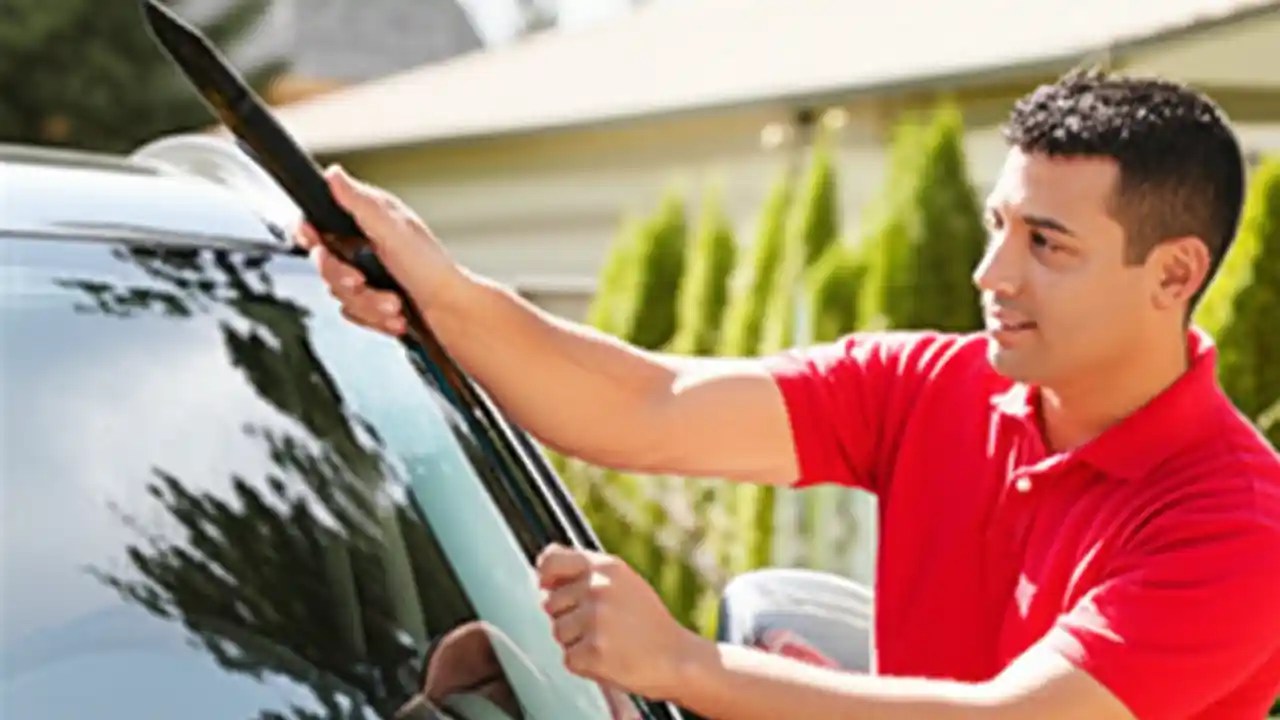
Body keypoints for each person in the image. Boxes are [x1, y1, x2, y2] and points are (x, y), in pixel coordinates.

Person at [295, 68, 1280, 719]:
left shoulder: (1233, 526)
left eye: (1045, 244)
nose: (991, 273)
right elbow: (650, 402)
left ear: (1170, 273)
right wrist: (445, 301)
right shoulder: (930, 388)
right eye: (997, 225)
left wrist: (681, 665)